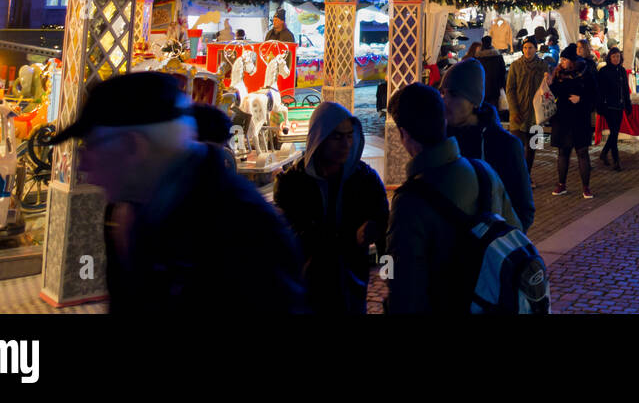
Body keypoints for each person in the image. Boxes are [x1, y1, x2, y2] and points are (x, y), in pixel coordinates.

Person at [49, 71, 305, 313]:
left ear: (132, 147)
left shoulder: (241, 224)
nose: (83, 163)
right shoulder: (130, 211)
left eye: (92, 147)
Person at [386, 84, 520, 313]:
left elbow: (404, 290)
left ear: (403, 134)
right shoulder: (483, 172)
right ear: (443, 121)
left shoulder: (409, 201)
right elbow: (515, 236)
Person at [273, 103, 388, 314]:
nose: (345, 144)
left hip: (352, 283)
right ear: (319, 138)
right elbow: (298, 237)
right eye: (337, 137)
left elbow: (384, 232)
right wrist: (351, 239)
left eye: (349, 136)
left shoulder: (366, 180)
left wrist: (389, 277)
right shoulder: (291, 184)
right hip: (306, 287)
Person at [442, 59, 535, 231]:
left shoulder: (505, 145)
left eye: (454, 94)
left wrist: (498, 241)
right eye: (444, 93)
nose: (446, 101)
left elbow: (524, 209)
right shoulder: (441, 142)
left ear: (474, 100)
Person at [549, 43, 597, 198]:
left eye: (564, 60)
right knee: (563, 151)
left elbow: (595, 94)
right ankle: (561, 184)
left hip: (579, 117)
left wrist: (581, 99)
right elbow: (553, 93)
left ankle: (586, 187)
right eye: (561, 60)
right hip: (562, 117)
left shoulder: (585, 72)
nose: (562, 63)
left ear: (572, 60)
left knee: (582, 152)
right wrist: (548, 84)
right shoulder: (558, 74)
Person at [506, 37, 550, 178]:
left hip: (536, 115)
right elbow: (510, 90)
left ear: (535, 49)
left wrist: (549, 81)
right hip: (518, 114)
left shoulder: (543, 65)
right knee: (516, 148)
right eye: (525, 48)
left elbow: (547, 89)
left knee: (532, 148)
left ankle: (526, 176)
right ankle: (517, 177)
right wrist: (514, 111)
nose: (527, 50)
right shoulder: (515, 65)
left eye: (530, 47)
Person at [596, 47, 633, 171]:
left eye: (618, 56)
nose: (616, 59)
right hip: (608, 106)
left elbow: (625, 89)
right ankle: (616, 160)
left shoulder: (622, 71)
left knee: (614, 133)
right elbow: (599, 91)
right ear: (609, 58)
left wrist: (628, 104)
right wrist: (600, 105)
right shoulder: (604, 71)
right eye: (614, 57)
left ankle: (604, 153)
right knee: (614, 132)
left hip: (619, 106)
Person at [476, 35, 508, 111]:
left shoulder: (477, 58)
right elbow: (502, 72)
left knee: (482, 111)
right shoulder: (498, 56)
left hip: (481, 89)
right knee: (494, 110)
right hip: (495, 88)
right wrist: (502, 86)